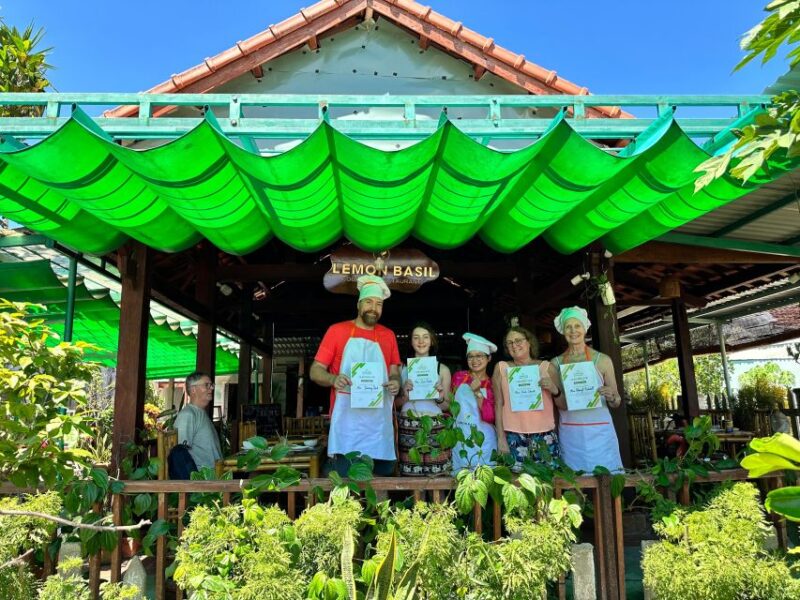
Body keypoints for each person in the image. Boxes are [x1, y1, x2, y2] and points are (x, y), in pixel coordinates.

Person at [309, 274, 402, 477]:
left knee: (380, 482)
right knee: (346, 481)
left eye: (379, 304)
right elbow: (315, 371)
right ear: (358, 304)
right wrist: (333, 379)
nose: (373, 308)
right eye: (368, 302)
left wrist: (396, 382)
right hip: (347, 426)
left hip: (378, 427)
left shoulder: (388, 335)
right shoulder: (337, 331)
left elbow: (395, 372)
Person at [551, 306, 623, 473]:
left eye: (577, 325)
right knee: (574, 481)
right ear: (563, 331)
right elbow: (559, 403)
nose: (573, 331)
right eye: (568, 327)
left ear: (585, 328)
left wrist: (612, 396)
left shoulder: (602, 360)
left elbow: (617, 401)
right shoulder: (555, 364)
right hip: (571, 432)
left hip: (600, 432)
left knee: (606, 477)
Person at [493, 326, 565, 472]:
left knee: (548, 482)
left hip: (544, 435)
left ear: (529, 342)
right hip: (512, 436)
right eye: (509, 342)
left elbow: (563, 405)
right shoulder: (501, 368)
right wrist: (501, 438)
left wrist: (554, 390)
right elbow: (498, 404)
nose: (514, 345)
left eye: (518, 340)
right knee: (516, 483)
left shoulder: (546, 367)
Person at [397, 322, 452, 475]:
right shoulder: (402, 368)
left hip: (435, 425)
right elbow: (395, 404)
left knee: (438, 474)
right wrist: (405, 395)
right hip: (408, 425)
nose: (421, 341)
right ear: (411, 342)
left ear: (432, 340)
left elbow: (447, 406)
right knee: (411, 473)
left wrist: (440, 398)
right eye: (416, 337)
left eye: (425, 337)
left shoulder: (442, 369)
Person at [450, 333, 498, 474]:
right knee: (461, 478)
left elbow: (490, 417)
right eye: (470, 356)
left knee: (484, 479)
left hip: (484, 440)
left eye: (479, 356)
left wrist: (478, 393)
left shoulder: (492, 383)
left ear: (489, 358)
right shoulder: (458, 377)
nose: (474, 360)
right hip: (460, 438)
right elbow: (451, 406)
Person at [174, 371, 222, 471]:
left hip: (216, 475)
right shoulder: (187, 415)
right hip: (202, 478)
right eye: (207, 385)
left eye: (211, 385)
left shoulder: (200, 412)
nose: (211, 388)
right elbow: (179, 456)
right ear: (193, 389)